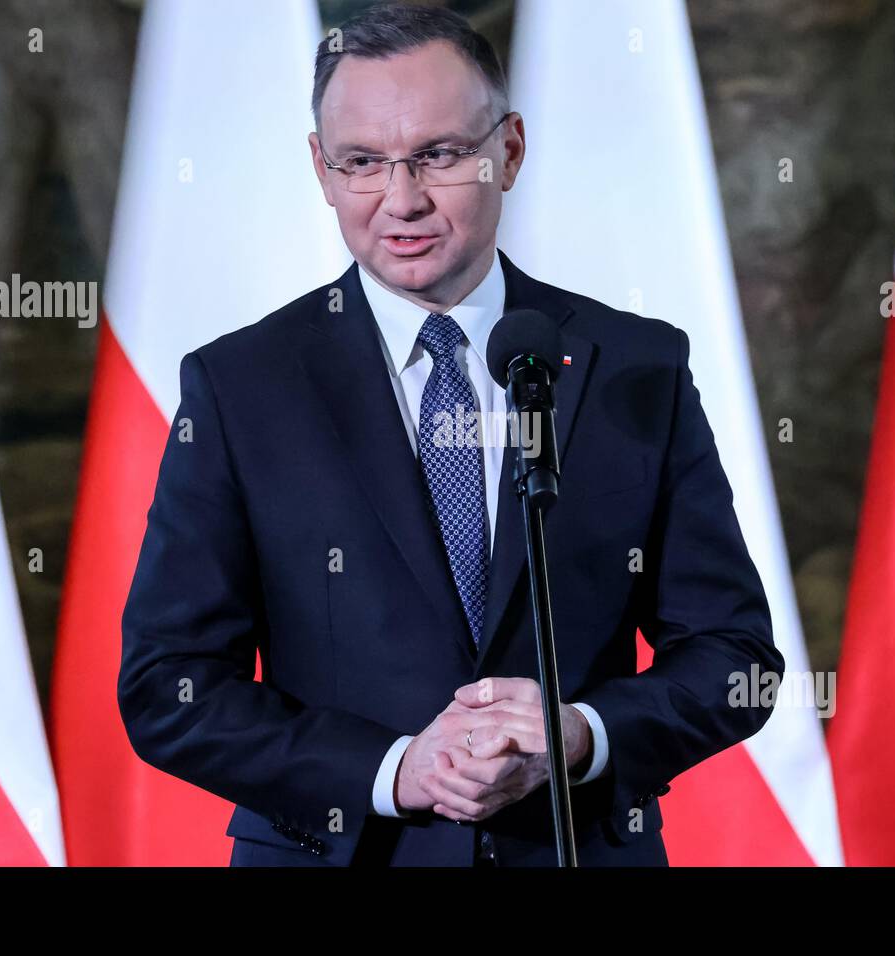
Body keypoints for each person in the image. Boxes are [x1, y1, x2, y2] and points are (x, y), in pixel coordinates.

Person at [118, 2, 783, 867]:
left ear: (507, 150)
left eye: (437, 154)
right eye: (363, 162)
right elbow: (169, 691)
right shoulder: (242, 388)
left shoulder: (632, 368)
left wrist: (579, 735)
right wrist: (397, 771)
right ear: (320, 169)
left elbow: (737, 662)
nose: (403, 200)